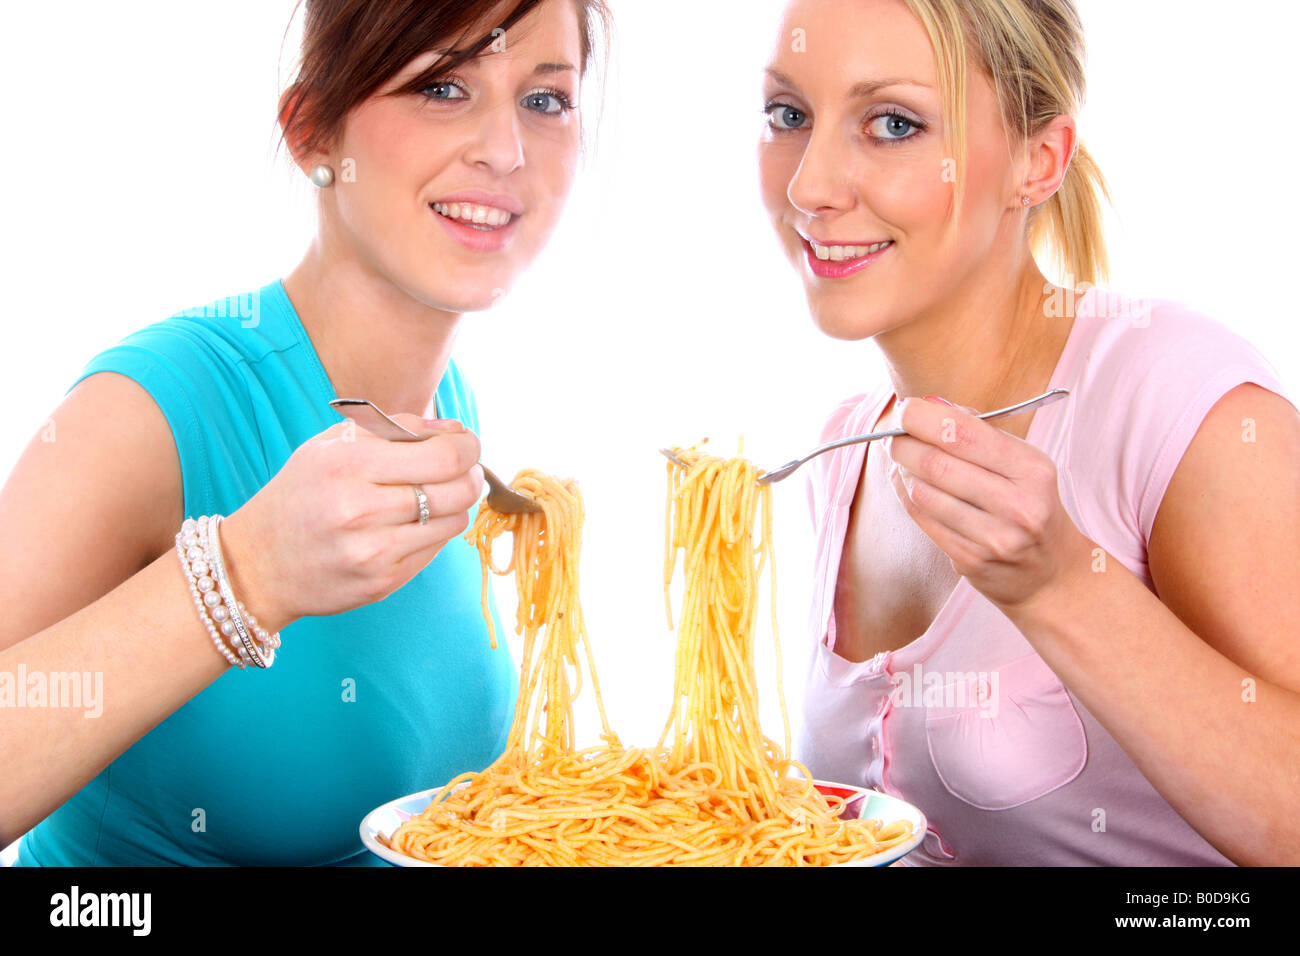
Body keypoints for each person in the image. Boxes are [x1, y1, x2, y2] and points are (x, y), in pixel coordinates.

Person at [1, 0, 611, 866]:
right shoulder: (149, 411)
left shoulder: (452, 410)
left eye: (545, 100)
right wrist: (244, 573)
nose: (506, 150)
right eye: (442, 86)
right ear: (313, 133)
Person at [758, 0, 1299, 865]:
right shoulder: (844, 450)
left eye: (892, 124)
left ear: (1038, 161)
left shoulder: (1175, 396)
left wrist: (1060, 585)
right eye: (789, 115)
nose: (808, 186)